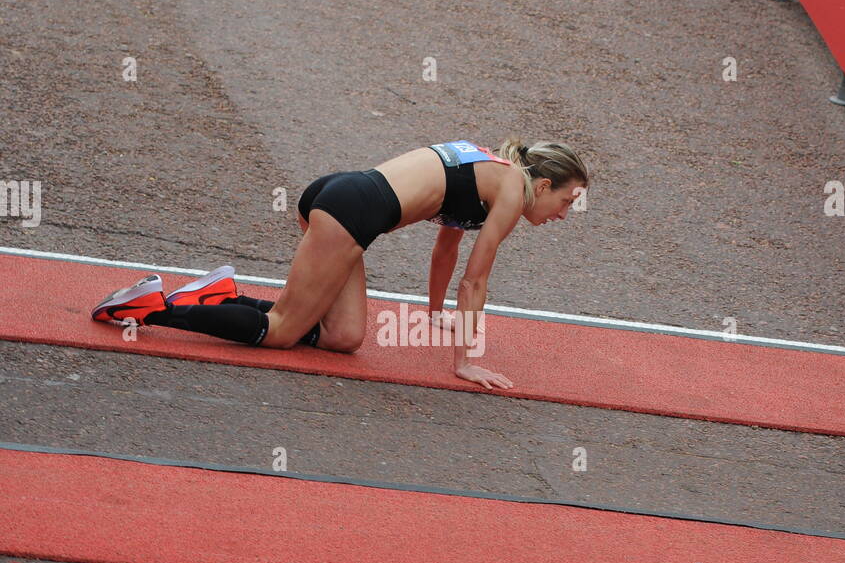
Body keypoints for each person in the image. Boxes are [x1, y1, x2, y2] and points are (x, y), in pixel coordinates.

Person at [92, 137, 589, 390]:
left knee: (343, 337)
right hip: (350, 209)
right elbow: (474, 281)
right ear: (542, 186)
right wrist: (465, 362)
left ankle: (219, 296)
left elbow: (447, 247)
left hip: (347, 196)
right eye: (567, 202)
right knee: (283, 330)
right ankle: (148, 308)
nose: (565, 215)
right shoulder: (508, 190)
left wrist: (435, 313)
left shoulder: (493, 174)